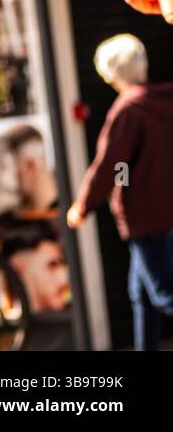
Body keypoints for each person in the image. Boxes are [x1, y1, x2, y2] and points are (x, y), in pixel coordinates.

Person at [67, 34, 173, 350]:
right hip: (164, 212)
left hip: (146, 216)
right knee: (141, 295)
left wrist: (82, 205)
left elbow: (110, 165)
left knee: (164, 294)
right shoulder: (164, 101)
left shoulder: (128, 111)